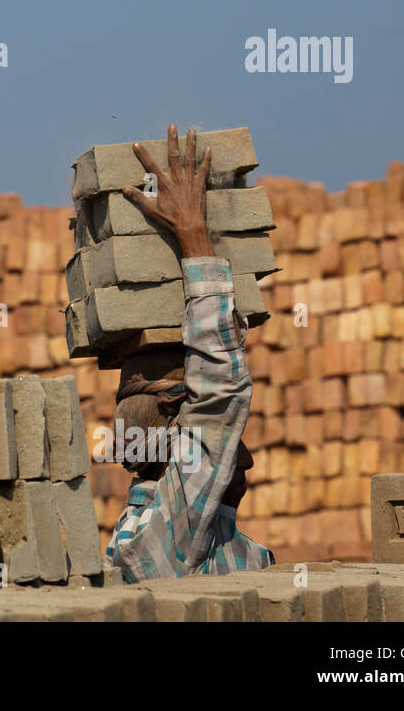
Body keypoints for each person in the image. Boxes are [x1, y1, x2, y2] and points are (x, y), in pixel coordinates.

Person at [103, 124, 274, 581]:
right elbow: (219, 396)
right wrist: (195, 235)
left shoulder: (185, 543)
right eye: (232, 441)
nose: (247, 458)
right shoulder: (159, 541)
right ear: (181, 429)